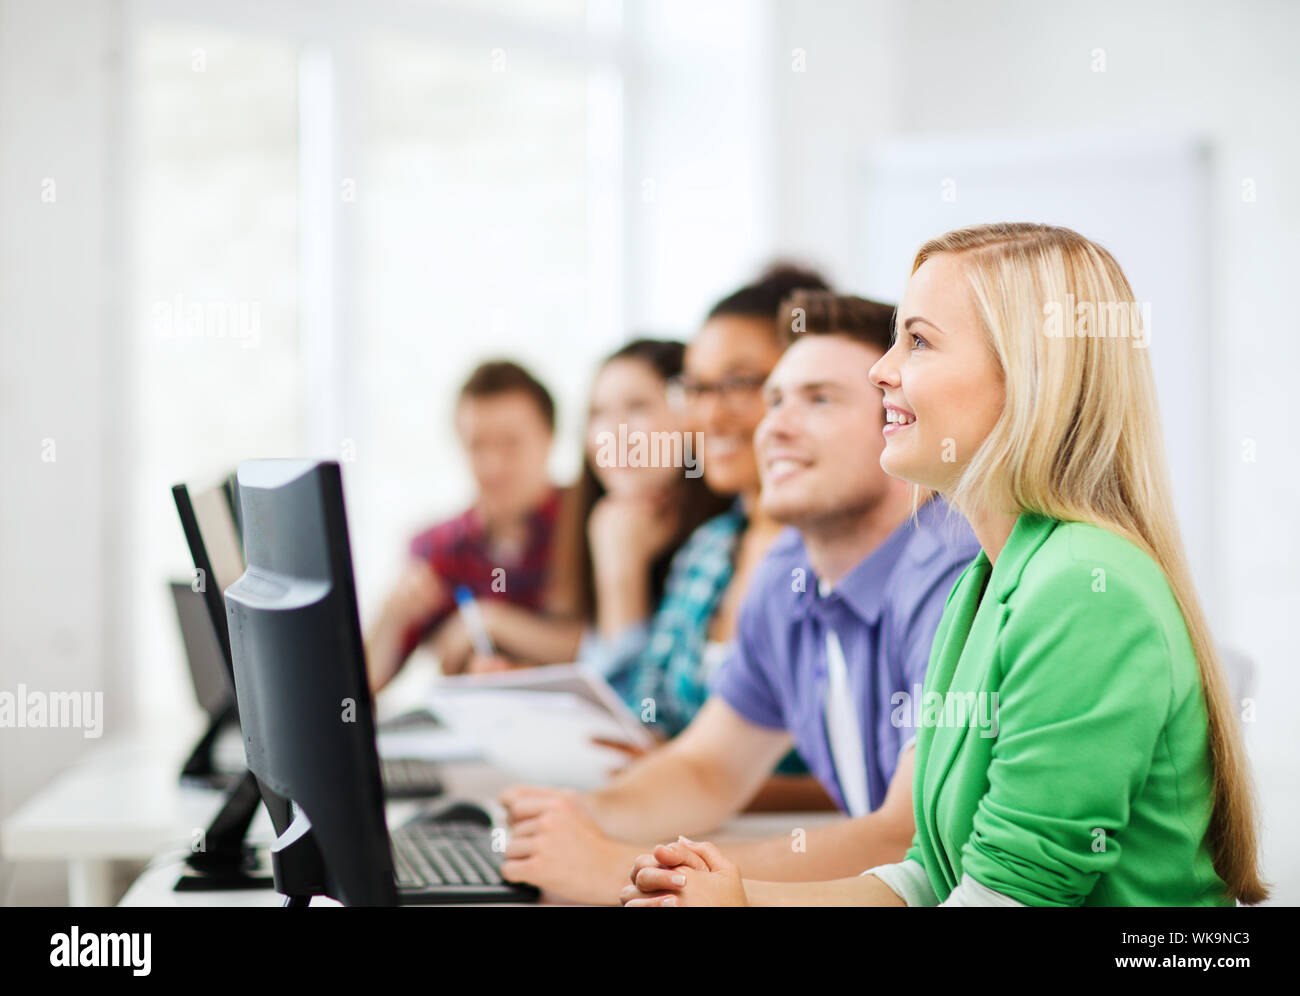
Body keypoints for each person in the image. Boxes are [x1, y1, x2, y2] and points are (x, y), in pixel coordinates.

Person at [620, 223, 1268, 907]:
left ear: (1026, 373)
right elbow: (931, 874)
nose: (881, 371)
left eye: (919, 341)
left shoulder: (1083, 587)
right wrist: (740, 900)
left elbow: (1003, 899)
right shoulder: (984, 583)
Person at [498, 291, 980, 904]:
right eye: (775, 398)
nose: (772, 425)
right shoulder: (787, 570)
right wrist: (576, 817)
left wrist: (617, 868)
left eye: (820, 400)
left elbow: (910, 843)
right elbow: (707, 768)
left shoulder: (954, 567)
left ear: (898, 419)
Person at [467, 339, 732, 675]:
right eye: (599, 414)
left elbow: (635, 710)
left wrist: (621, 574)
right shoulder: (610, 522)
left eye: (637, 407)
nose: (614, 434)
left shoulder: (723, 546)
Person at [365, 360, 561, 691]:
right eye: (477, 445)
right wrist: (391, 617)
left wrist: (493, 621)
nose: (492, 465)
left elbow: (612, 647)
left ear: (549, 439)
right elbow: (359, 691)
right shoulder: (437, 549)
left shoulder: (588, 529)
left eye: (510, 443)